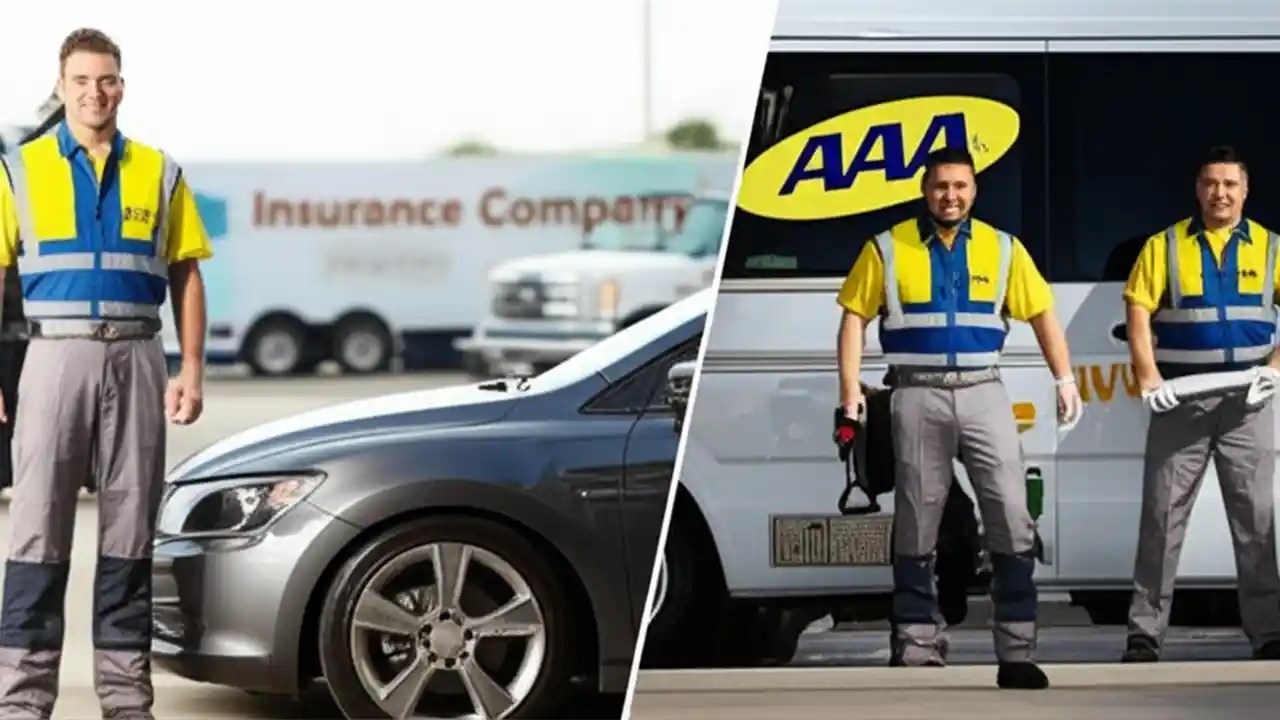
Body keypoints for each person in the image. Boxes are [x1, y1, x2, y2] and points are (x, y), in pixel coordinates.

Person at [0, 28, 213, 719]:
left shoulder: (158, 169)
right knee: (37, 531)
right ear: (61, 88)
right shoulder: (19, 170)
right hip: (53, 356)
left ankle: (126, 700)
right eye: (83, 81)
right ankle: (22, 702)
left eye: (108, 79)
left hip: (138, 355)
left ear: (122, 86)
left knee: (130, 534)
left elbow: (187, 274)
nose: (96, 93)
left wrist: (191, 370)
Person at [835, 146, 1081, 689]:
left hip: (983, 391)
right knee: (917, 520)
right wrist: (851, 394)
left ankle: (1017, 651)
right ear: (926, 190)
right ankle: (917, 645)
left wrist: (1064, 378)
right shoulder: (887, 247)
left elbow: (1043, 314)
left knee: (1011, 514)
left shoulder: (1003, 248)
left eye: (960, 186)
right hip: (915, 392)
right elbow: (853, 319)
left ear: (974, 190)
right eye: (941, 186)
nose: (951, 196)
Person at [1120, 145, 1280, 663]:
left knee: (1255, 520)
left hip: (1248, 400)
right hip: (1182, 400)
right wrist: (1149, 376)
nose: (1220, 193)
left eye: (1230, 184)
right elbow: (1137, 309)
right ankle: (1145, 634)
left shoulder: (1272, 247)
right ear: (1198, 189)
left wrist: (1275, 369)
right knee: (1162, 517)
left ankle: (1269, 632)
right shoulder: (1165, 245)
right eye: (1211, 183)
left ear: (1246, 191)